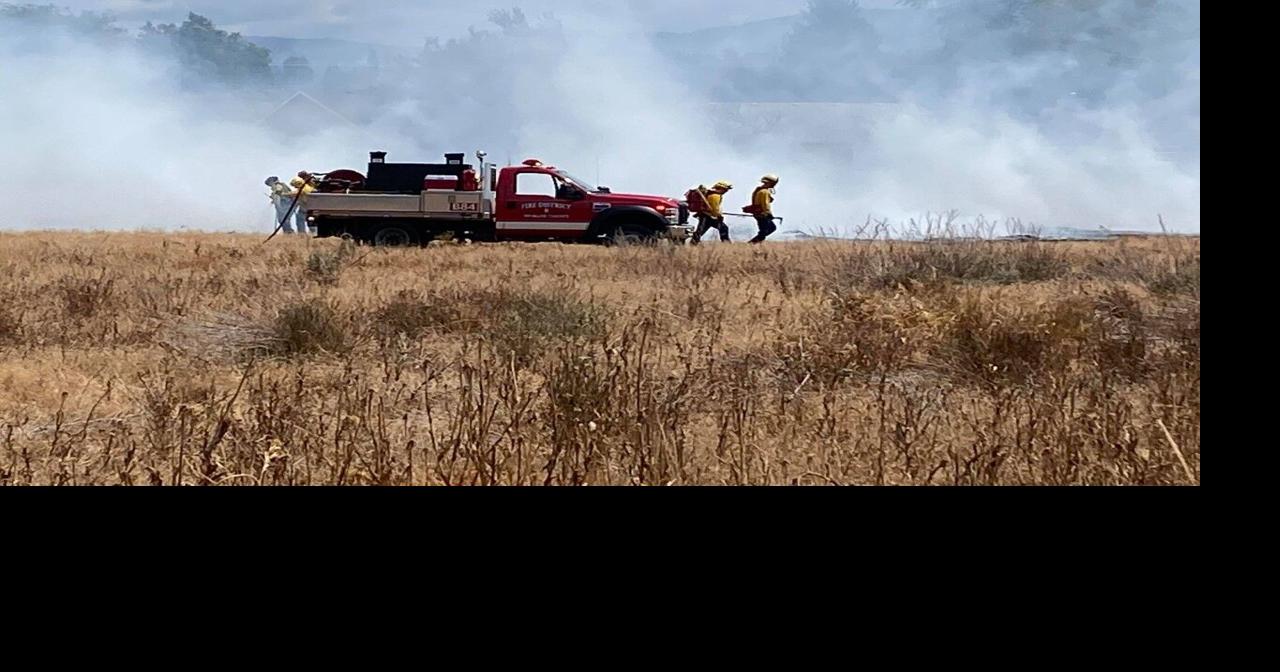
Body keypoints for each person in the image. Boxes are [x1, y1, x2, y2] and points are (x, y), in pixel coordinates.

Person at [691, 181, 733, 245]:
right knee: (723, 228)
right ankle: (726, 244)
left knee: (700, 232)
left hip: (707, 216)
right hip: (708, 216)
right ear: (720, 188)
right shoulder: (715, 196)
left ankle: (693, 244)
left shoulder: (711, 194)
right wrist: (719, 216)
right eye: (725, 189)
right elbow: (714, 209)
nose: (726, 191)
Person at [747, 174, 779, 244]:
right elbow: (765, 204)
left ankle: (752, 243)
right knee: (766, 231)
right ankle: (750, 244)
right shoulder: (764, 192)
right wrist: (768, 213)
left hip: (758, 214)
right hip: (762, 214)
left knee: (768, 229)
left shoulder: (759, 190)